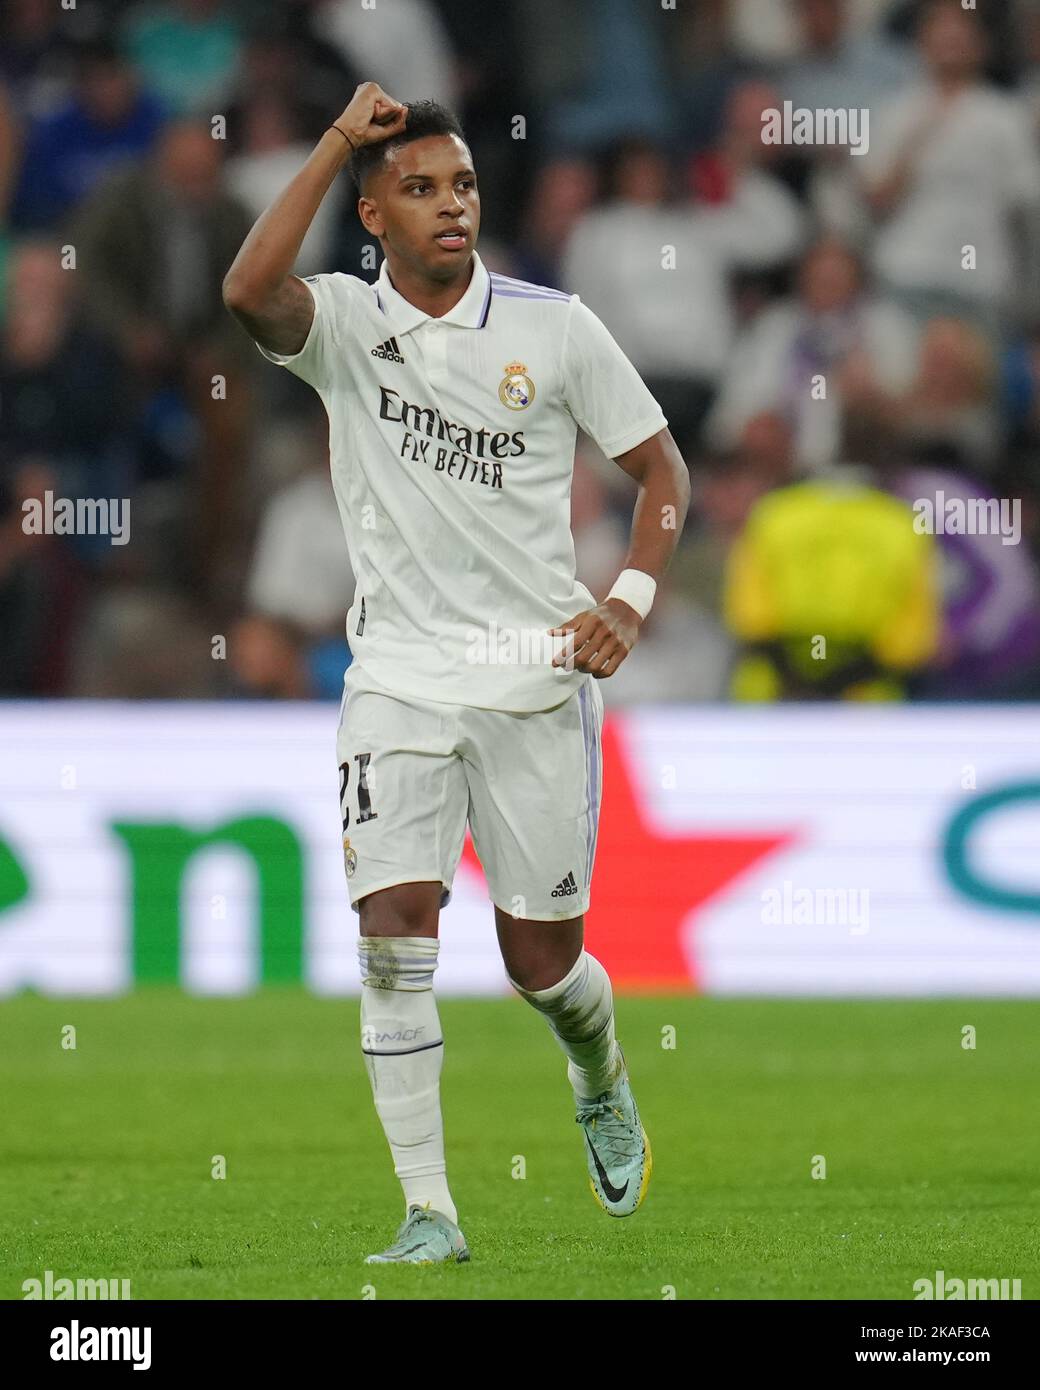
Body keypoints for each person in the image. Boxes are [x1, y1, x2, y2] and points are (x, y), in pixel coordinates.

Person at [222, 83, 690, 1264]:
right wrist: (333, 137)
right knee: (393, 939)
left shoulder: (554, 327)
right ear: (370, 214)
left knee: (543, 967)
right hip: (397, 680)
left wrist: (625, 600)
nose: (450, 206)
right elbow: (242, 291)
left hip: (531, 680)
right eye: (420, 189)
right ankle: (430, 1210)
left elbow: (663, 475)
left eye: (464, 185)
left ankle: (597, 1069)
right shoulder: (337, 326)